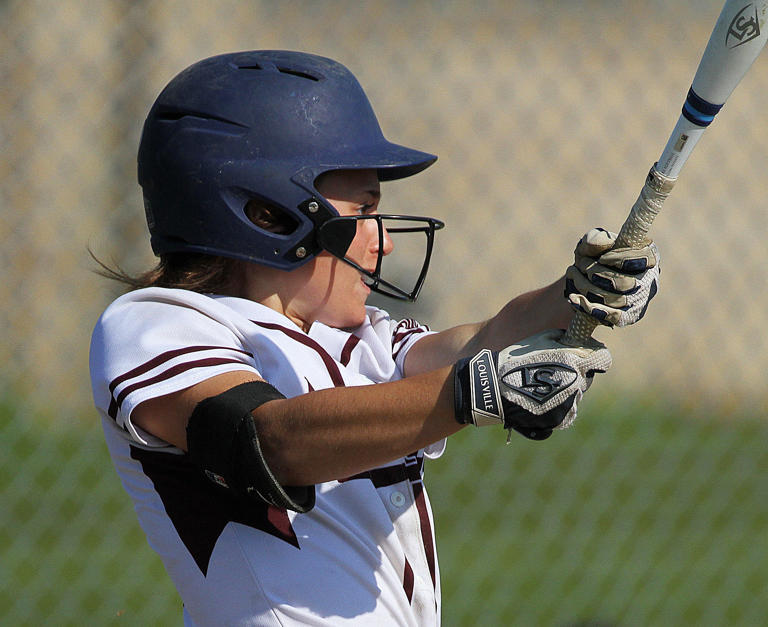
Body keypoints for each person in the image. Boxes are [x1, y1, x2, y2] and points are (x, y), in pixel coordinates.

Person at [89, 50, 659, 626]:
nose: (382, 242)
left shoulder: (357, 339)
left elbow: (478, 345)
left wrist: (575, 292)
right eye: (363, 209)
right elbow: (270, 440)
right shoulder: (156, 322)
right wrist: (471, 395)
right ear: (266, 215)